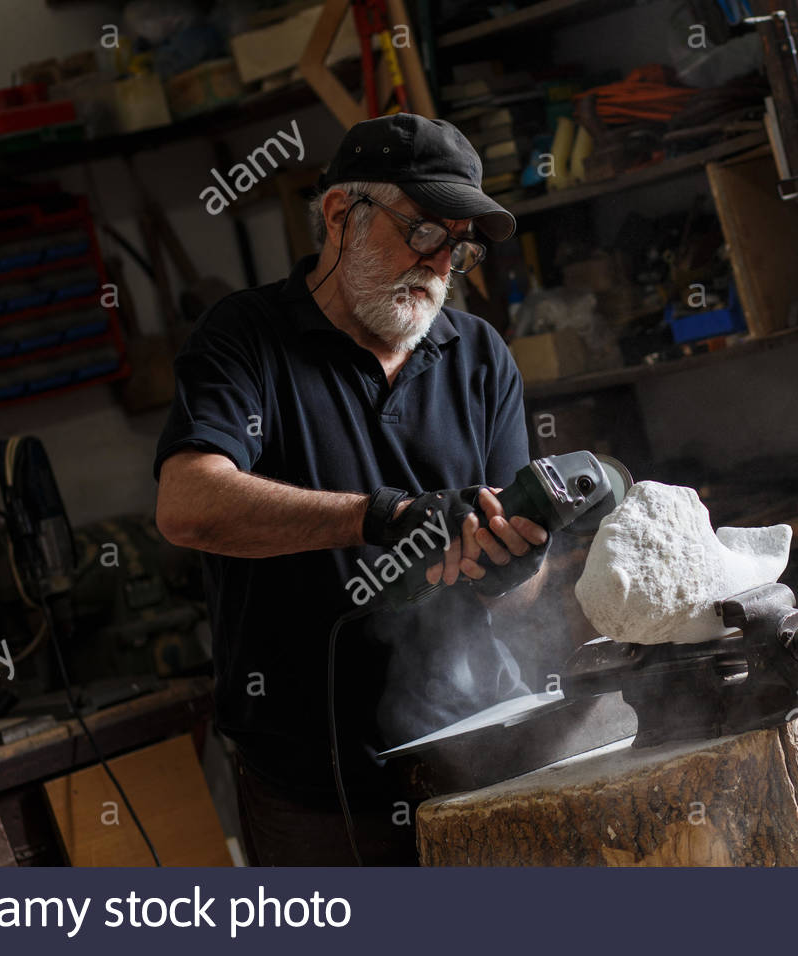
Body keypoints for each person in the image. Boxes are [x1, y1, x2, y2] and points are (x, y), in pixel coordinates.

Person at [153, 113, 550, 865]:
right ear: (341, 213)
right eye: (425, 232)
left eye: (458, 247)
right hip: (311, 773)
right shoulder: (245, 338)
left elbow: (513, 599)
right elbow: (187, 502)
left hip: (474, 746)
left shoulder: (480, 357)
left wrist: (512, 569)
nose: (441, 265)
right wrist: (378, 516)